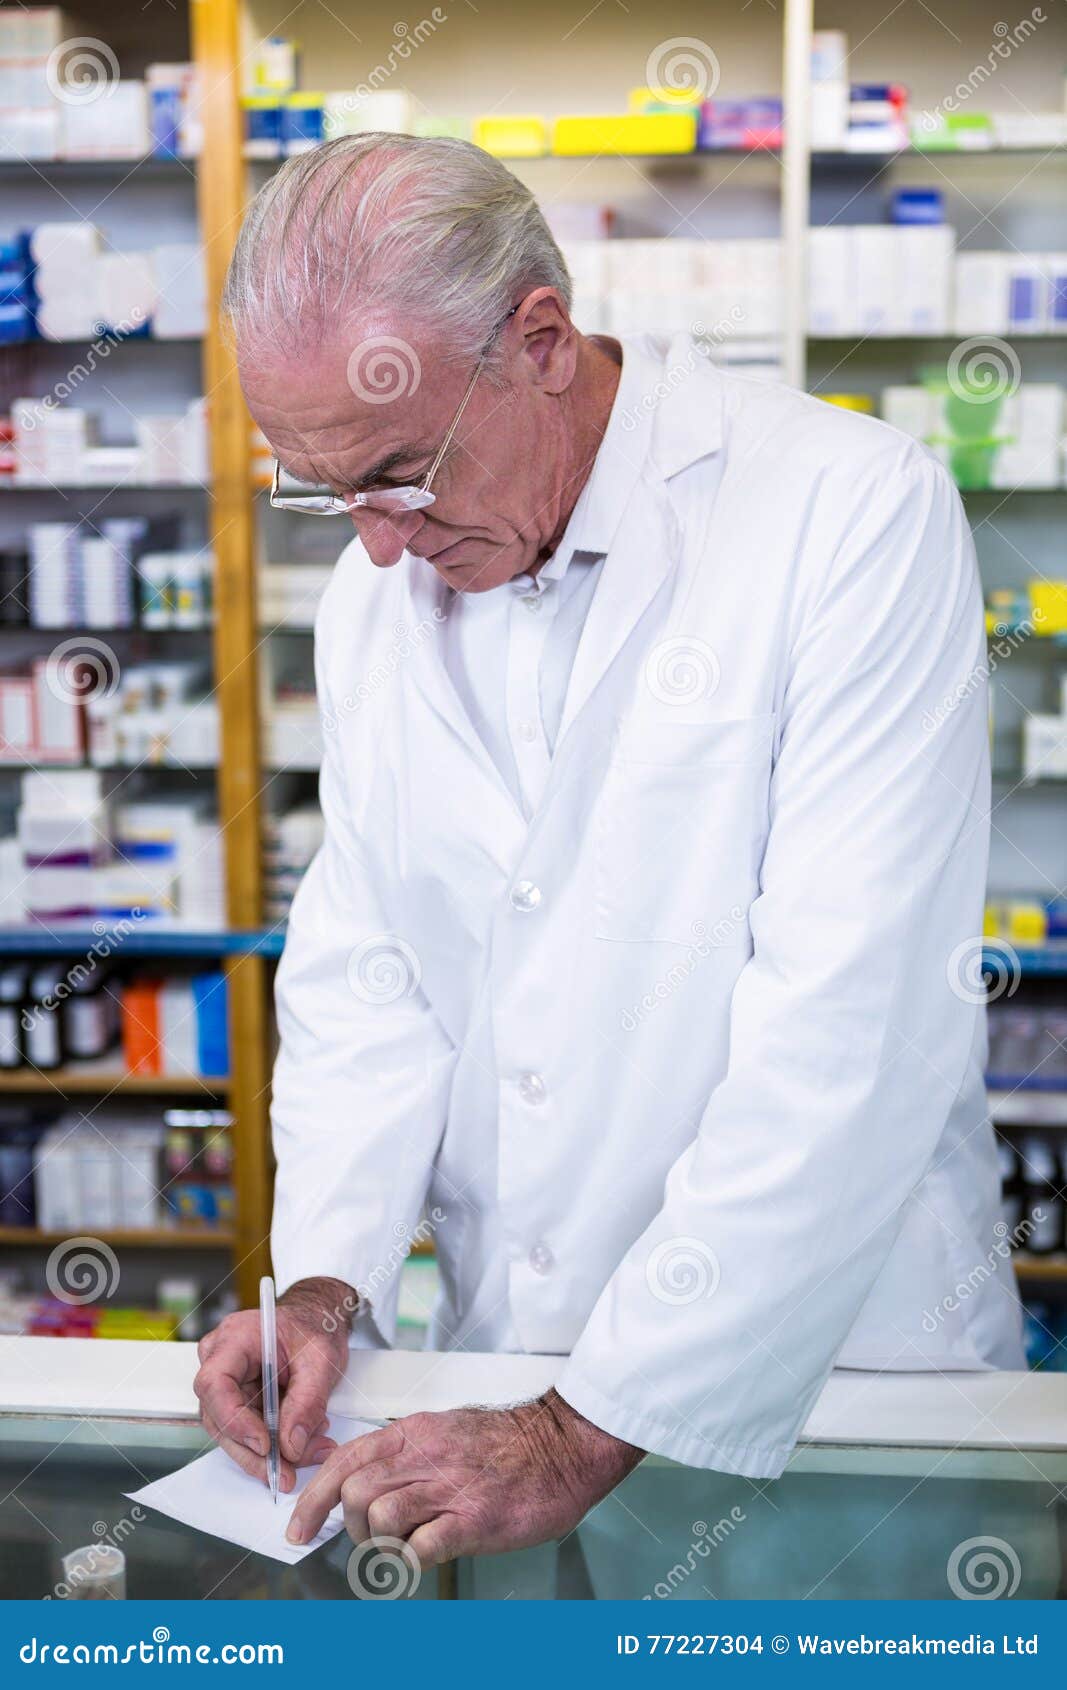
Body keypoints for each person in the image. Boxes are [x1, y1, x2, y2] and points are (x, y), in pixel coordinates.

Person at [193, 134, 1025, 1568]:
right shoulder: (375, 591)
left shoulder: (848, 513)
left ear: (541, 339)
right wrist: (324, 1279)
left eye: (398, 471)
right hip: (492, 1386)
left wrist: (591, 1421)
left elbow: (855, 1026)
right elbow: (371, 964)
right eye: (328, 492)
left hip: (831, 1398)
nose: (377, 545)